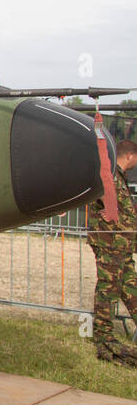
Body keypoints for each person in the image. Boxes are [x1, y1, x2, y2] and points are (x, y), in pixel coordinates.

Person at [90, 138, 137, 364]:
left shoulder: (119, 176)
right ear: (130, 156)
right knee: (108, 289)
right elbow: (99, 191)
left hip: (123, 244)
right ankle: (103, 336)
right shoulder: (107, 173)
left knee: (131, 287)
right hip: (109, 243)